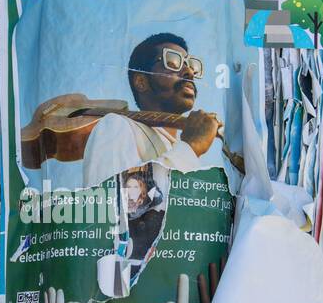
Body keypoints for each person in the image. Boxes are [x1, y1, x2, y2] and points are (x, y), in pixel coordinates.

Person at [82, 31, 224, 187]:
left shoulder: (184, 152)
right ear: (141, 82)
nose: (189, 72)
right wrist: (191, 147)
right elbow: (114, 204)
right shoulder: (117, 126)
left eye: (191, 65)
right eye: (172, 61)